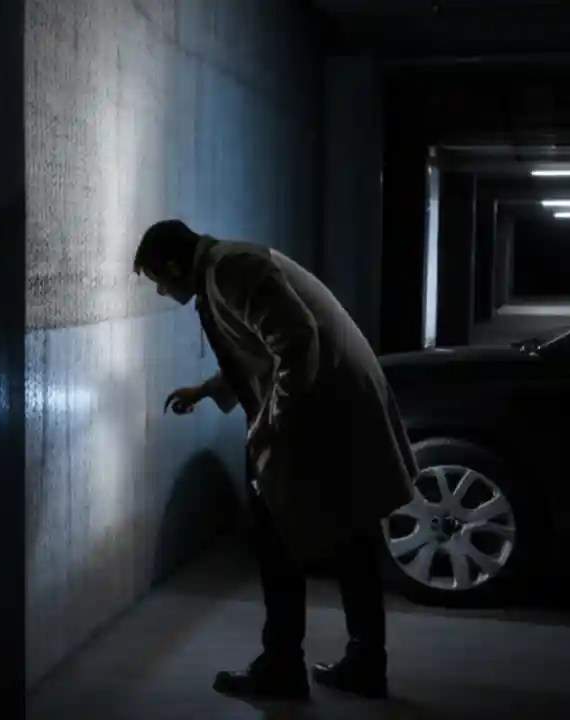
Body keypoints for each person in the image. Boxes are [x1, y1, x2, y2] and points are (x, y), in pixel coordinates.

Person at [133, 219, 418, 701]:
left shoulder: (230, 270)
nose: (161, 292)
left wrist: (273, 422)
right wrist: (208, 391)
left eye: (159, 281)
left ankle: (283, 667)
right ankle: (365, 662)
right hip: (332, 407)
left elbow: (295, 341)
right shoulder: (228, 266)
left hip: (320, 412)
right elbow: (258, 349)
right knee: (351, 539)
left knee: (275, 540)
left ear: (177, 266)